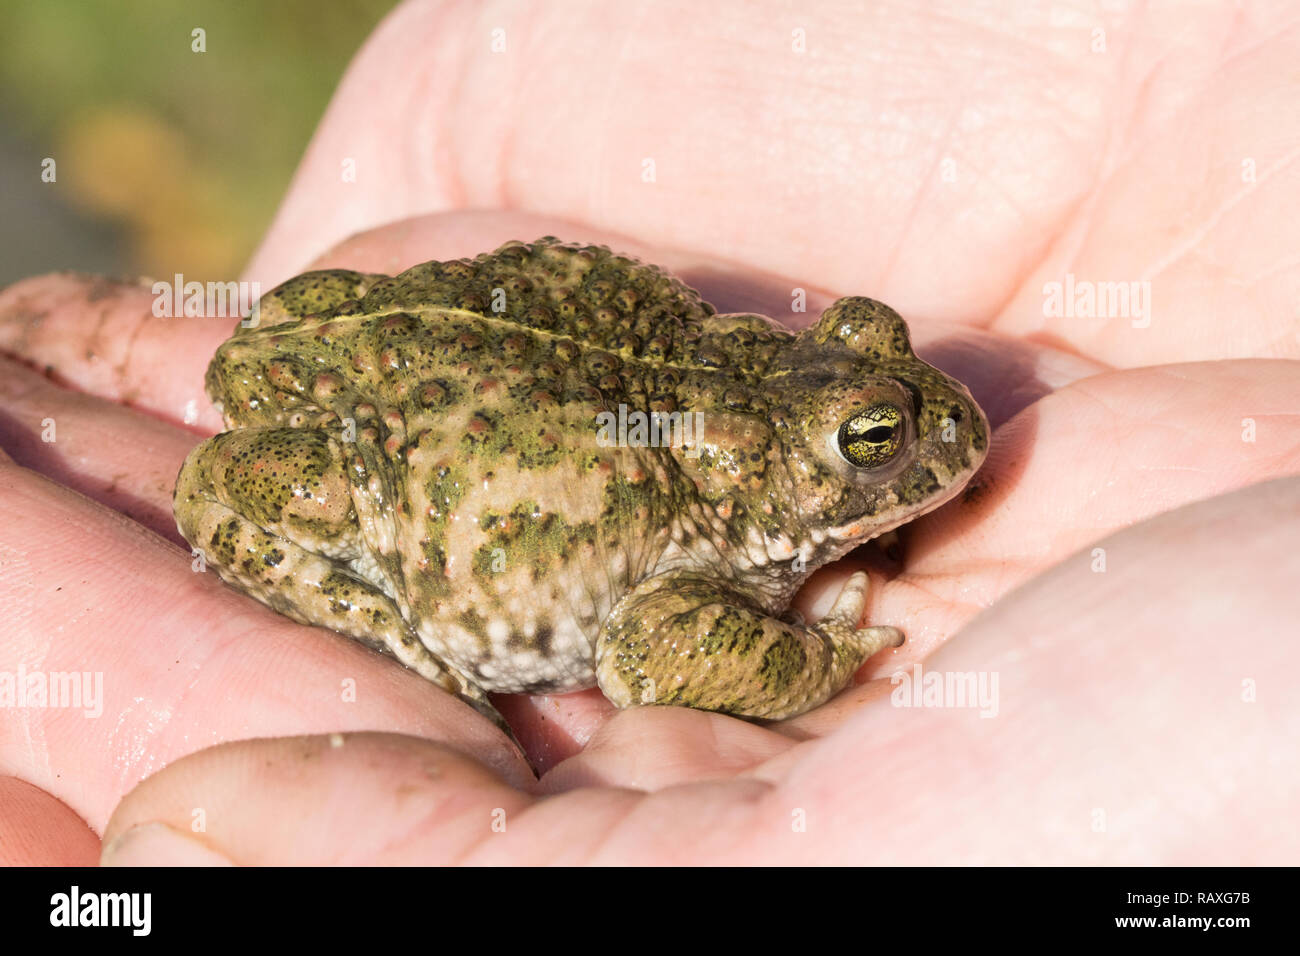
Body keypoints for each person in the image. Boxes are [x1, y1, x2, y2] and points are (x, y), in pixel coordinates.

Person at [0, 0, 1296, 865]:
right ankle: (398, 615)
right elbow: (655, 646)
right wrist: (806, 665)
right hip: (366, 436)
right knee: (261, 494)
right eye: (875, 438)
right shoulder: (709, 511)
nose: (947, 437)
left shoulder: (739, 406)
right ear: (781, 478)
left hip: (398, 342)